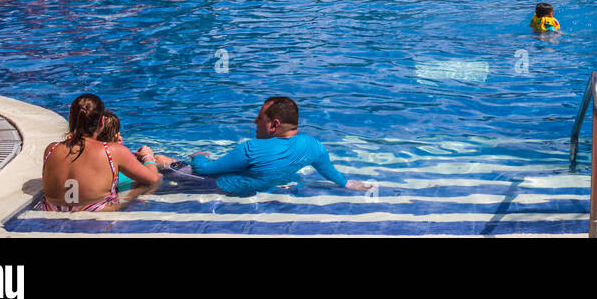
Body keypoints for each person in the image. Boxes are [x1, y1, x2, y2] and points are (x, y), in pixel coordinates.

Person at [153, 96, 371, 196]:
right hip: (260, 183)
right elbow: (331, 173)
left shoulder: (251, 148)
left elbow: (204, 170)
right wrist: (347, 184)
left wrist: (198, 154)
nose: (255, 122)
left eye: (259, 119)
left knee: (163, 161)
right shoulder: (313, 146)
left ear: (274, 124)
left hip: (219, 187)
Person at [39, 93, 160, 211]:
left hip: (53, 210)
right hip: (97, 215)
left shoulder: (51, 149)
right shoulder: (112, 151)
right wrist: (147, 157)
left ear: (71, 120)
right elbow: (153, 179)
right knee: (154, 181)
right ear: (102, 121)